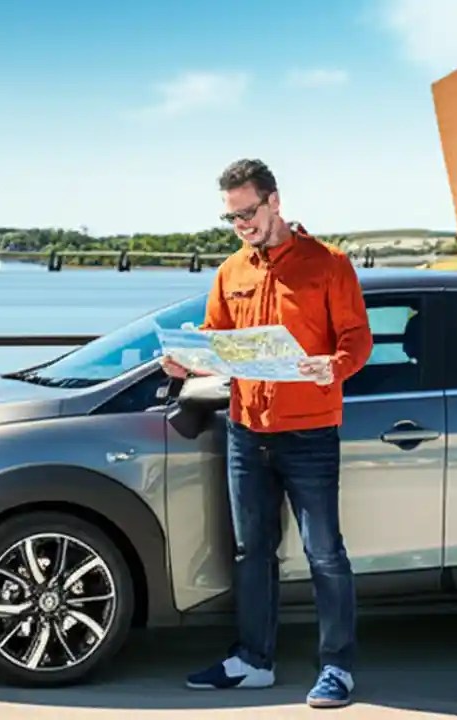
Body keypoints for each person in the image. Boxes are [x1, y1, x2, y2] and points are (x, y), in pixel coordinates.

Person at [160, 158, 373, 709]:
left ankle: (337, 668)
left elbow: (357, 339)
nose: (241, 225)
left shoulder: (329, 264)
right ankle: (253, 660)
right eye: (231, 218)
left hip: (310, 434)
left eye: (247, 213)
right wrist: (186, 361)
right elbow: (217, 340)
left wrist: (336, 365)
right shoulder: (231, 271)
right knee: (252, 551)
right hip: (245, 431)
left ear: (274, 201)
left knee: (325, 552)